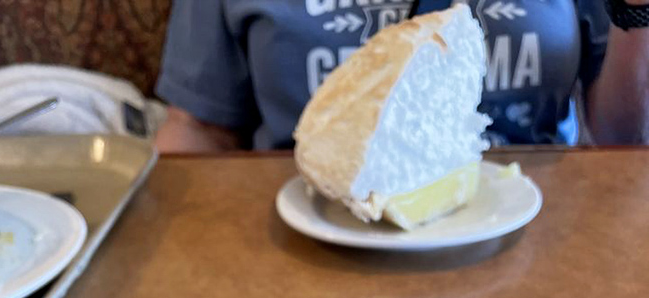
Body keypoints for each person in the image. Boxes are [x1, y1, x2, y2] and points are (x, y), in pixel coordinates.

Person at [154, 0, 649, 153]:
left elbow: (620, 136)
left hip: (530, 228)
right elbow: (198, 128)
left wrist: (638, 13)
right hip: (314, 232)